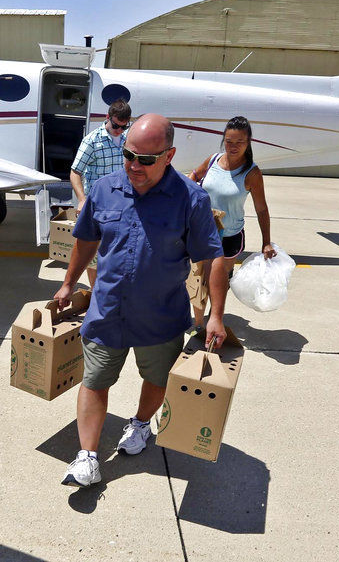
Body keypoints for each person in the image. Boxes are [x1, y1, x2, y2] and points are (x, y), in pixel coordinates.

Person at [53, 114, 229, 488]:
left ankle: (139, 424)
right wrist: (68, 283)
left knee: (155, 378)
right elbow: (86, 239)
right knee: (95, 379)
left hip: (161, 316)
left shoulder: (191, 200)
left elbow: (212, 258)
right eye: (128, 155)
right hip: (107, 310)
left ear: (169, 155)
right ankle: (87, 457)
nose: (134, 166)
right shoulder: (103, 189)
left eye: (146, 160)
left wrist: (215, 314)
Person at [188, 116, 274, 328]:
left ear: (248, 143)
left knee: (216, 283)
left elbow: (261, 209)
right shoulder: (212, 161)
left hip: (230, 237)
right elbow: (194, 175)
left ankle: (214, 320)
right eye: (229, 141)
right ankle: (199, 326)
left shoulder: (251, 173)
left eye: (239, 142)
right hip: (202, 231)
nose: (233, 147)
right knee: (198, 280)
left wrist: (266, 242)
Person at [69, 99, 132, 287]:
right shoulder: (92, 141)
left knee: (118, 251)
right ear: (107, 117)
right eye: (115, 126)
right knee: (94, 253)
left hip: (122, 203)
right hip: (99, 205)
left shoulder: (128, 138)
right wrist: (82, 200)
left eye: (123, 126)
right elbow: (75, 172)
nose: (119, 130)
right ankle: (96, 294)